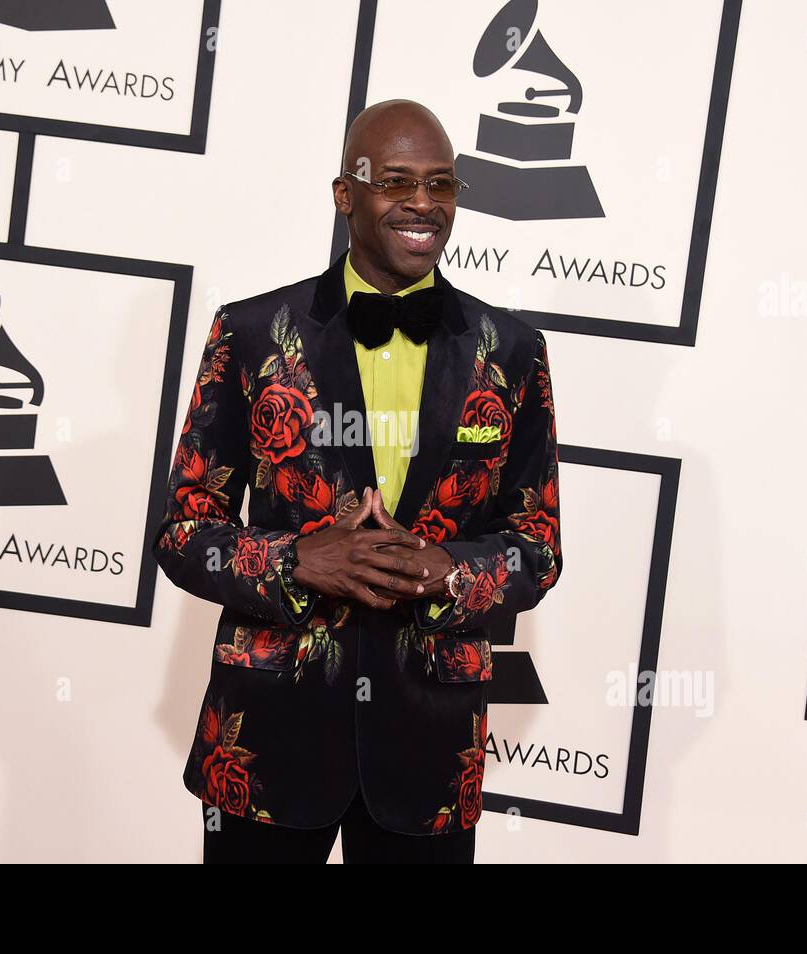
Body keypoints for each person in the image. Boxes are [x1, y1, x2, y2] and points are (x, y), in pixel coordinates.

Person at [152, 99, 563, 863]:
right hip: (266, 743)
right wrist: (296, 561)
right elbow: (182, 531)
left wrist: (450, 570)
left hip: (430, 750)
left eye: (442, 186)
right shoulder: (249, 334)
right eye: (397, 182)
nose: (422, 204)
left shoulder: (511, 350)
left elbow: (538, 546)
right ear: (346, 194)